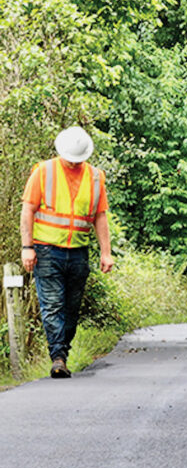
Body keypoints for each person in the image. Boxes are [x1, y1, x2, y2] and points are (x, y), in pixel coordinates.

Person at [20, 127, 114, 379]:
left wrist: (106, 252)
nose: (73, 162)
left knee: (72, 308)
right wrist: (27, 247)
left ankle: (63, 352)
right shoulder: (43, 171)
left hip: (78, 252)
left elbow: (100, 216)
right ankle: (58, 357)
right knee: (52, 306)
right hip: (46, 250)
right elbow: (27, 210)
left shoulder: (95, 178)